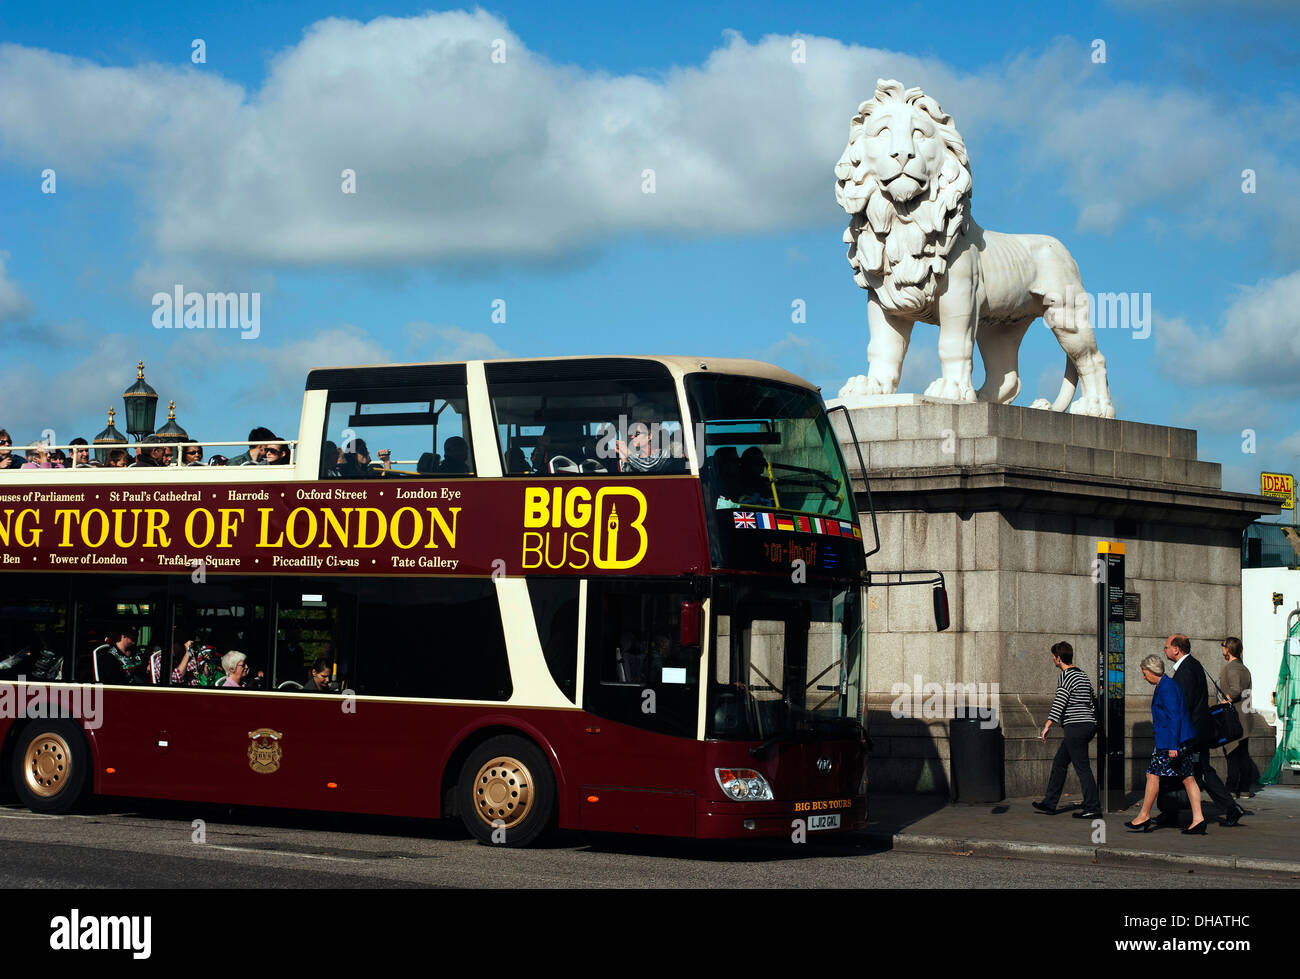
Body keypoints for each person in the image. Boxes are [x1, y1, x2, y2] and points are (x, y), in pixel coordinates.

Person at [1156, 634, 1249, 827]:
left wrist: (1176, 733)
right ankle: (1170, 811)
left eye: (1166, 647)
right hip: (1197, 730)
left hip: (1192, 732)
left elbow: (1183, 704)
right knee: (1197, 771)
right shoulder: (1192, 665)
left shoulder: (1186, 670)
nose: (1164, 650)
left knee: (1192, 770)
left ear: (1176, 649)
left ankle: (1228, 808)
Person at [1125, 654, 1207, 833]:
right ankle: (1198, 818)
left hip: (1170, 742)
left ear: (1151, 671)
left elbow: (1173, 717)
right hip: (1177, 740)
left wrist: (1172, 746)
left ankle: (1144, 815)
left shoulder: (1166, 687)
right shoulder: (1166, 684)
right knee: (1188, 778)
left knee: (1153, 775)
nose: (1144, 676)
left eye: (1144, 673)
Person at [1033, 641, 1101, 818]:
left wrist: (1048, 724)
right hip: (1087, 725)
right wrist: (1092, 723)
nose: (1053, 660)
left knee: (1082, 767)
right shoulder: (1082, 675)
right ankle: (1049, 803)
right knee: (1060, 763)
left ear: (1058, 658)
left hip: (1075, 726)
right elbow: (1093, 700)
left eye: (1053, 657)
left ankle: (1093, 807)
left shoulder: (1066, 676)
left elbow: (1060, 700)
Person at [1219, 636, 1255, 799]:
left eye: (1223, 646)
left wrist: (1228, 698)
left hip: (1235, 718)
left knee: (1233, 752)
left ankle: (1232, 787)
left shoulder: (1232, 668)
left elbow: (1235, 689)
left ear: (1228, 649)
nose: (1222, 649)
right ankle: (1245, 787)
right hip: (1245, 717)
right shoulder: (1243, 668)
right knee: (1242, 754)